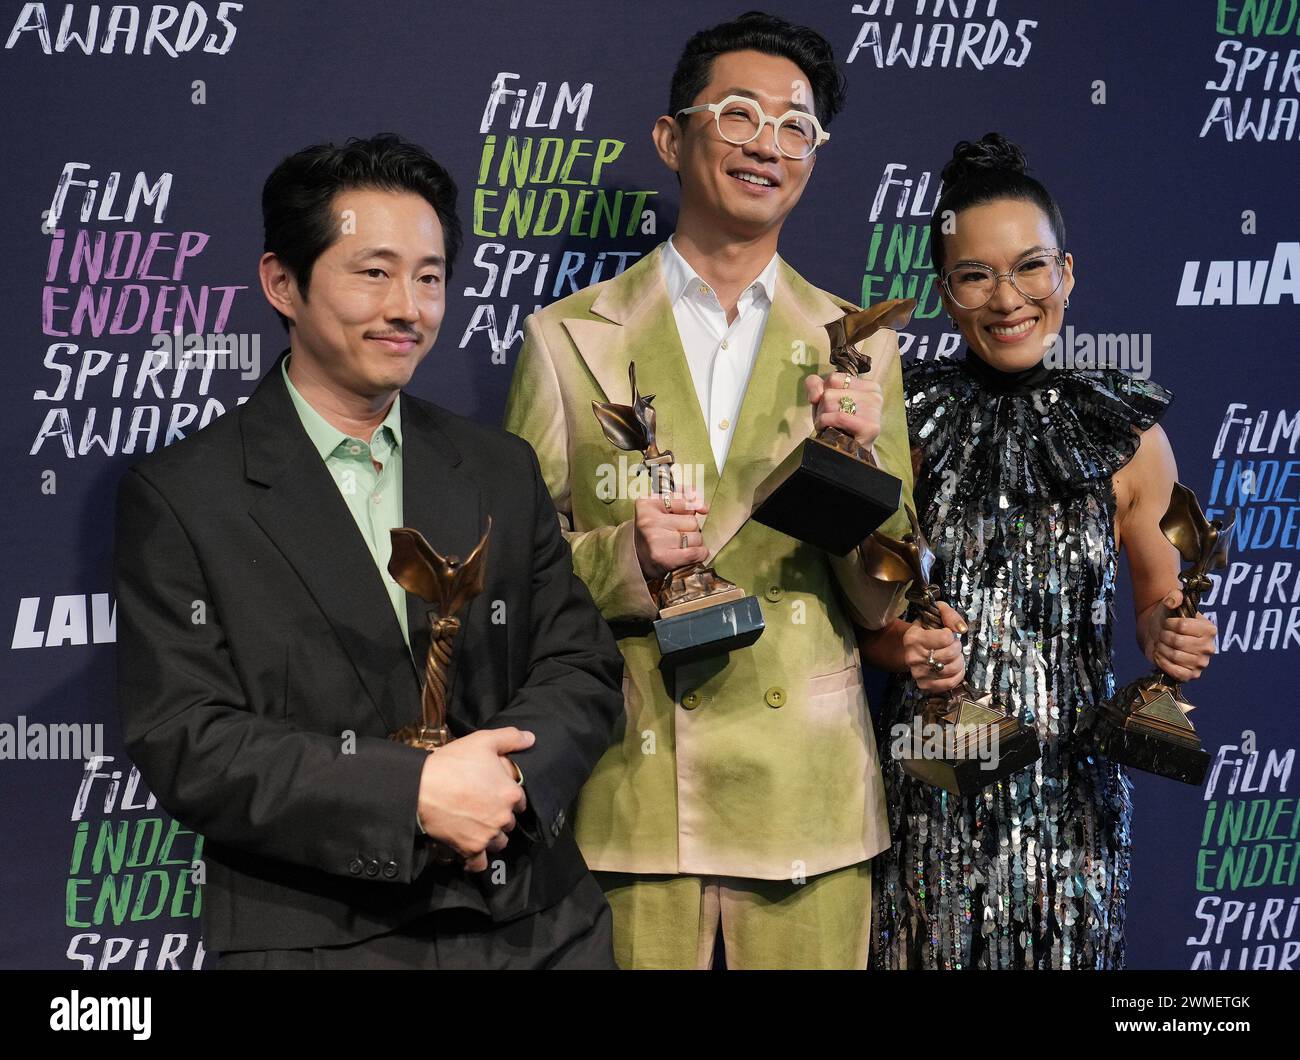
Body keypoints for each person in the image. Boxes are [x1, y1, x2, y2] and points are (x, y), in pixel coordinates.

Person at [504, 11, 953, 969]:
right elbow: (512, 580)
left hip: (810, 809)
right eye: (740, 113)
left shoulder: (859, 342)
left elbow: (887, 590)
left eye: (798, 127)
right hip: (632, 797)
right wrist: (626, 560)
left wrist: (859, 471)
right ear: (673, 138)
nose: (769, 144)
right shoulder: (567, 338)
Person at [114, 134, 624, 970]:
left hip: (538, 922)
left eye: (429, 277)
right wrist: (412, 794)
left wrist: (506, 788)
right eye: (373, 271)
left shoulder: (498, 466)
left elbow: (580, 662)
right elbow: (187, 737)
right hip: (322, 930)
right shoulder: (184, 494)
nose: (408, 307)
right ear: (282, 282)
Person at [860, 133, 1219, 970]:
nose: (1007, 297)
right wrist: (902, 647)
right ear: (946, 295)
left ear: (1068, 274)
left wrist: (1176, 635)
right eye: (975, 275)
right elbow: (861, 618)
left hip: (1072, 812)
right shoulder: (898, 424)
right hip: (932, 790)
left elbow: (1159, 605)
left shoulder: (1128, 438)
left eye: (1030, 267)